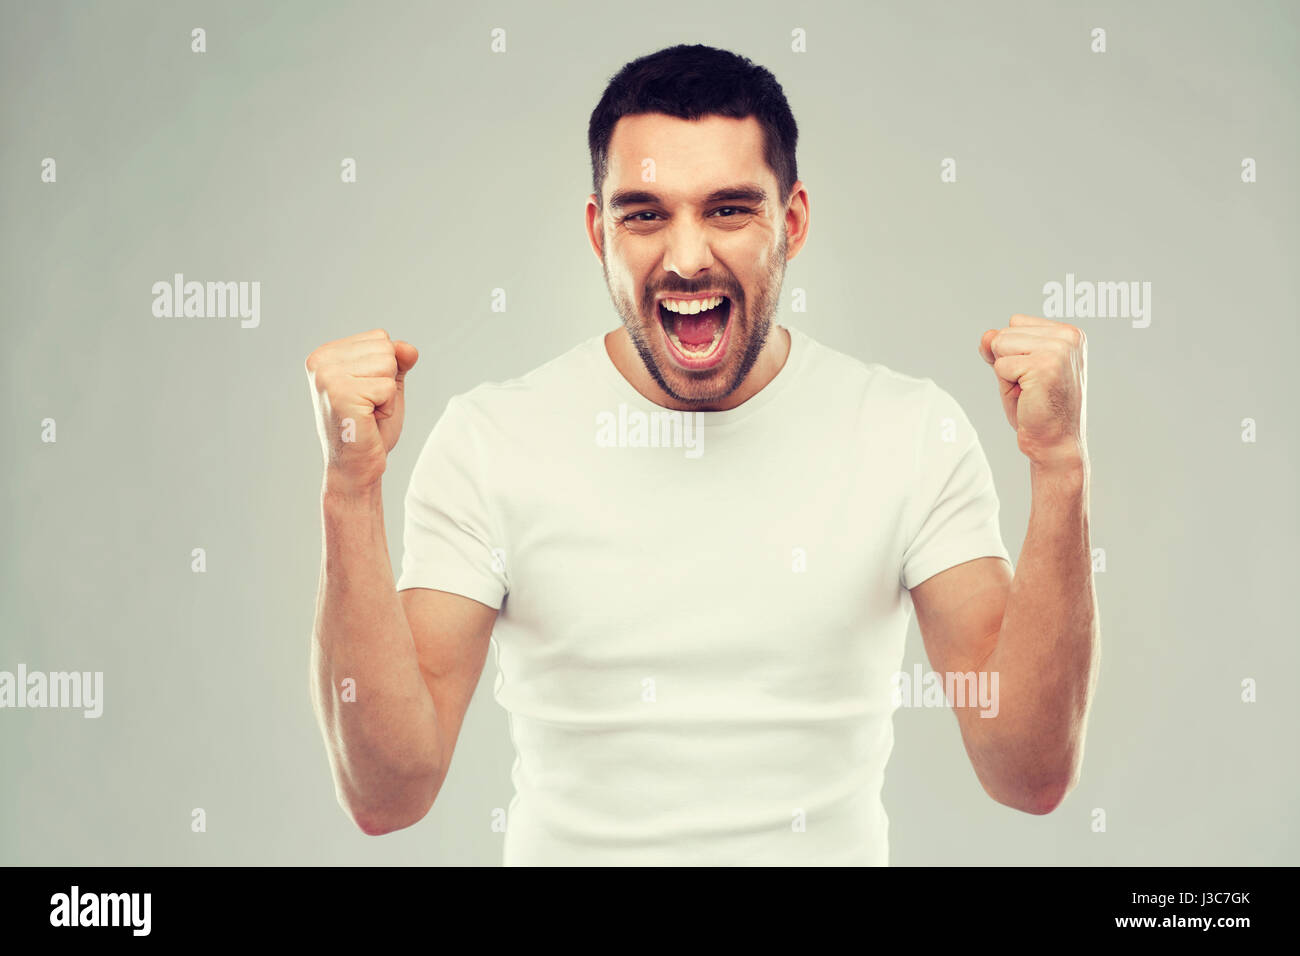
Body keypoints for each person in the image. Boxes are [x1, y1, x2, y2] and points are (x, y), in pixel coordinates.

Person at [304, 44, 1099, 866]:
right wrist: (350, 488)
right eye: (644, 214)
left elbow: (1028, 772)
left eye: (728, 210)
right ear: (599, 231)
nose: (687, 259)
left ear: (791, 222)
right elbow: (387, 795)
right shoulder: (490, 441)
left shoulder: (908, 432)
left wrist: (1060, 465)